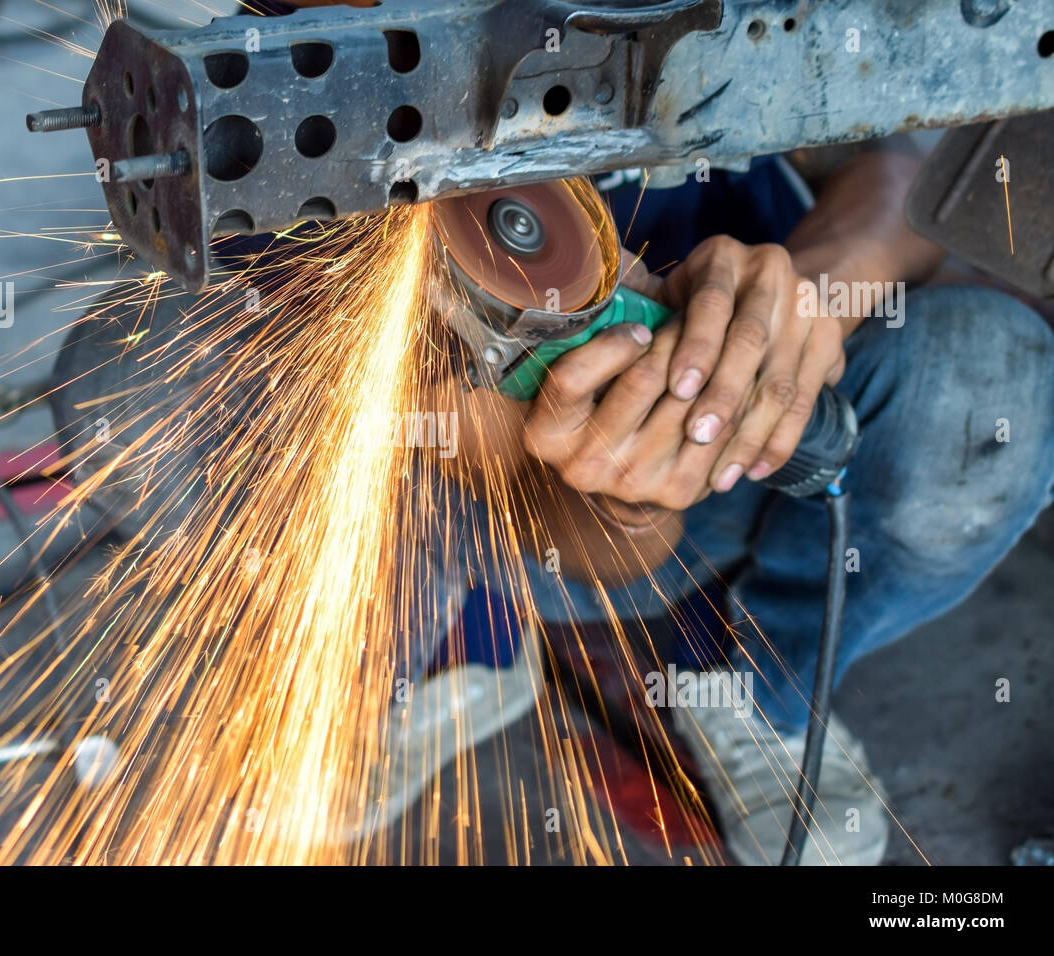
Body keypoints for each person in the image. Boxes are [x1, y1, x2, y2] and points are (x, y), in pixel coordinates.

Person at [399, 142, 1054, 864]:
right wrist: (628, 503)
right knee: (310, 446)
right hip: (535, 528)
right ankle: (468, 642)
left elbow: (905, 174)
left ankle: (755, 691)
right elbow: (598, 554)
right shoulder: (316, 150)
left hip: (749, 453)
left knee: (988, 377)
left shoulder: (673, 35)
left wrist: (799, 312)